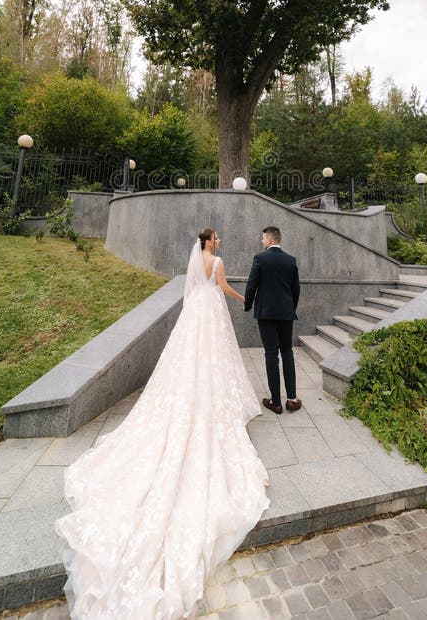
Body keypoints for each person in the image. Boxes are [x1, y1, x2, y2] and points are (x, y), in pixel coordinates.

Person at [55, 228, 269, 619]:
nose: (220, 241)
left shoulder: (193, 262)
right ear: (209, 242)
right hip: (213, 316)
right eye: (217, 238)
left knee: (188, 360)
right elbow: (221, 288)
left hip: (194, 317)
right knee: (215, 359)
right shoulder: (217, 263)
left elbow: (196, 290)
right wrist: (244, 298)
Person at [244, 226, 301, 415]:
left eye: (262, 238)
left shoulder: (260, 258)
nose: (261, 241)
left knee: (271, 354)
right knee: (287, 351)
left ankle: (275, 402)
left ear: (269, 240)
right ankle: (292, 399)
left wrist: (247, 304)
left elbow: (252, 284)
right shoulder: (290, 260)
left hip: (266, 313)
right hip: (286, 313)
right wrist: (290, 308)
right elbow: (296, 290)